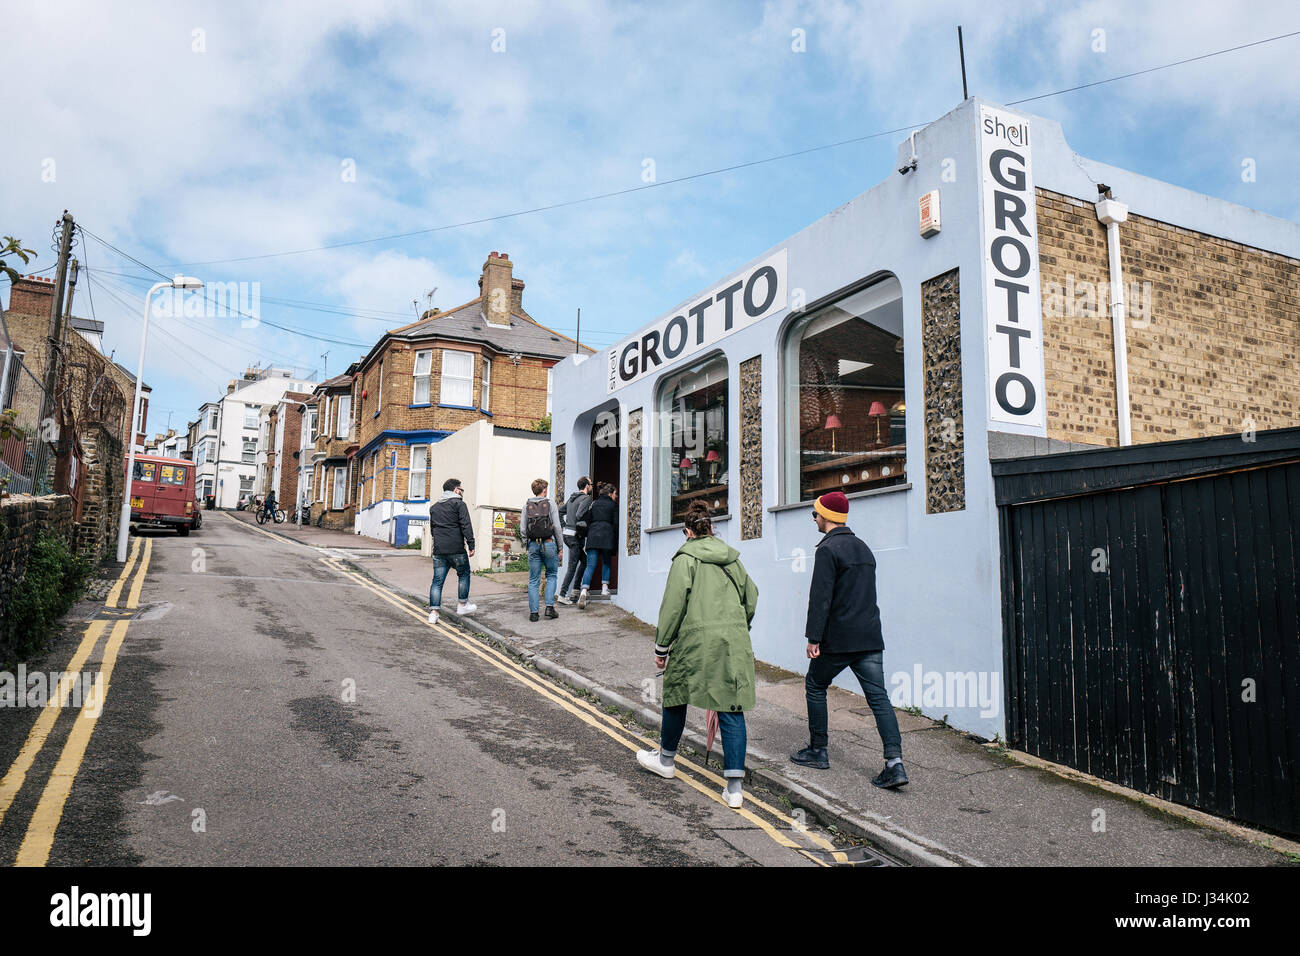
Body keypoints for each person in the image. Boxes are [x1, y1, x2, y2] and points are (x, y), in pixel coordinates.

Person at [635, 502, 758, 809]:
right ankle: (734, 789)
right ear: (712, 528)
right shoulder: (733, 560)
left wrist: (661, 649)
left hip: (696, 640)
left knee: (676, 694)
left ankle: (665, 760)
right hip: (732, 640)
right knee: (731, 703)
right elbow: (751, 597)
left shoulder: (685, 558)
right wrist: (740, 627)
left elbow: (673, 606)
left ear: (687, 531)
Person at [791, 491, 907, 789]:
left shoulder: (828, 550)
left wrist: (813, 638)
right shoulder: (864, 548)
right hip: (869, 637)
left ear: (827, 517)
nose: (814, 519)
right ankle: (895, 764)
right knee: (879, 698)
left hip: (840, 641)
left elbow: (820, 598)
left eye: (815, 514)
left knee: (815, 685)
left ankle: (818, 750)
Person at [428, 478, 476, 625]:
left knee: (437, 581)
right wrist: (471, 544)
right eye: (461, 489)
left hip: (439, 550)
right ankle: (462, 605)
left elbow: (432, 529)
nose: (462, 492)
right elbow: (466, 525)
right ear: (455, 490)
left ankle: (434, 613)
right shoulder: (459, 504)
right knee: (464, 574)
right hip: (456, 549)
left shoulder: (434, 507)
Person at [522, 478, 563, 622]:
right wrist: (560, 547)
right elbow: (557, 527)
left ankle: (534, 614)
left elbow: (523, 529)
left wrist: (527, 543)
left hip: (533, 544)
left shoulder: (526, 506)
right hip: (549, 543)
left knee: (534, 579)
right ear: (544, 490)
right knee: (551, 574)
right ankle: (549, 608)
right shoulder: (550, 504)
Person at [577, 482, 617, 609]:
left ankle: (583, 591)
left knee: (590, 565)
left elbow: (585, 519)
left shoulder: (594, 503)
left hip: (593, 535)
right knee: (606, 562)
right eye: (615, 494)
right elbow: (616, 524)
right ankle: (604, 589)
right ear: (610, 494)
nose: (616, 496)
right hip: (606, 535)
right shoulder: (613, 505)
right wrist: (615, 540)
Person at [555, 476, 592, 605]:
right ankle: (562, 594)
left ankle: (575, 590)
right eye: (591, 484)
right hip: (575, 536)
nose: (592, 486)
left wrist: (564, 525)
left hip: (567, 535)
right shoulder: (586, 498)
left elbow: (560, 511)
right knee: (572, 566)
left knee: (585, 560)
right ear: (587, 486)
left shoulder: (572, 498)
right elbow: (579, 515)